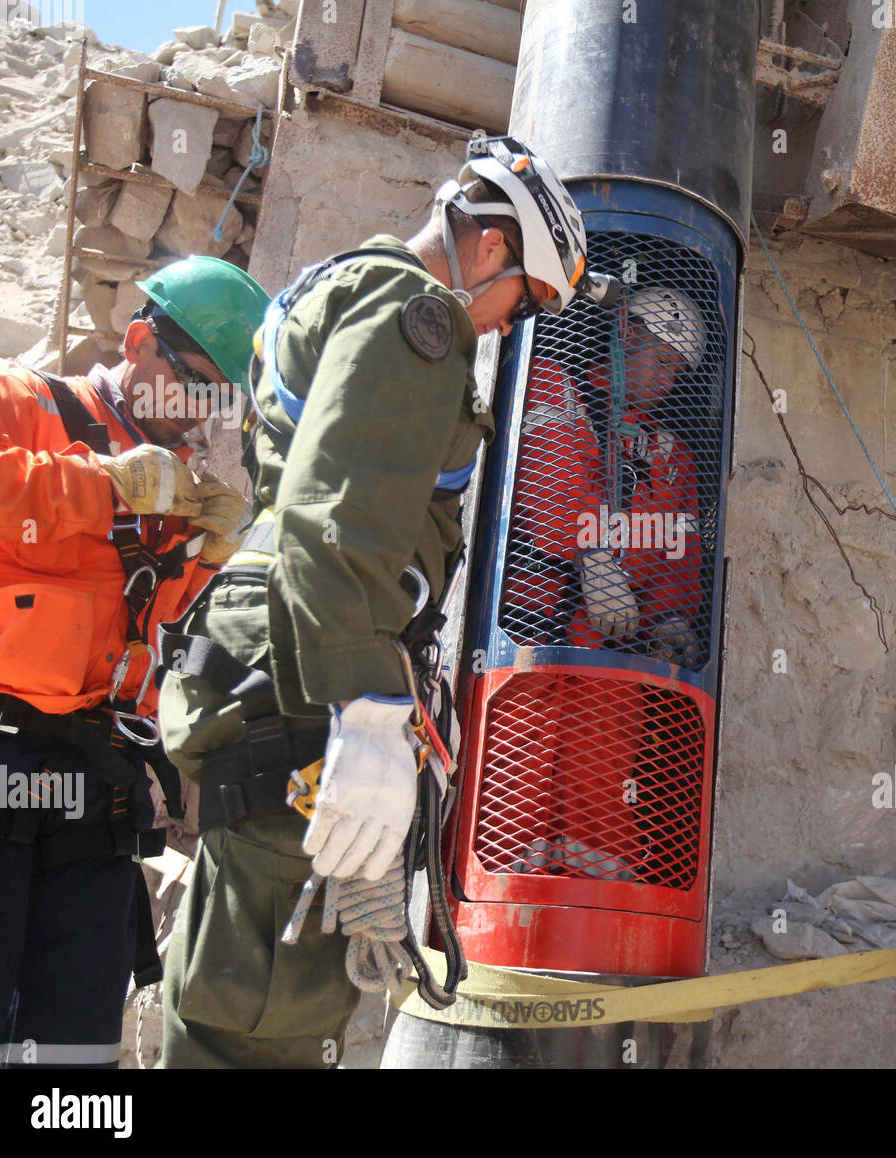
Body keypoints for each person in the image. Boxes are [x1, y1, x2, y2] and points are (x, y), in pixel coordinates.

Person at [156, 135, 612, 1068]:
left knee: (245, 986)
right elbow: (340, 519)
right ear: (489, 247)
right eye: (520, 302)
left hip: (275, 661)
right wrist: (368, 711)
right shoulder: (420, 316)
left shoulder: (343, 282)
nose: (502, 327)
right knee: (265, 1015)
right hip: (314, 674)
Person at [0, 255, 268, 1068]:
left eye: (224, 401)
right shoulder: (21, 401)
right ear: (139, 343)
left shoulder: (173, 494)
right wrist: (103, 485)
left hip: (91, 780)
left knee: (72, 1055)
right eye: (197, 386)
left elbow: (147, 644)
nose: (205, 416)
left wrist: (209, 559)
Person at [501, 287, 708, 879]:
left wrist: (670, 616)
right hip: (533, 631)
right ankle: (511, 900)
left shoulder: (670, 453)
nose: (670, 379)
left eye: (679, 369)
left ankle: (593, 908)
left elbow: (678, 547)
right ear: (628, 335)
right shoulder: (553, 386)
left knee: (604, 779)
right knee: (520, 771)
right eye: (662, 359)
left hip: (616, 648)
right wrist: (590, 555)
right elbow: (547, 470)